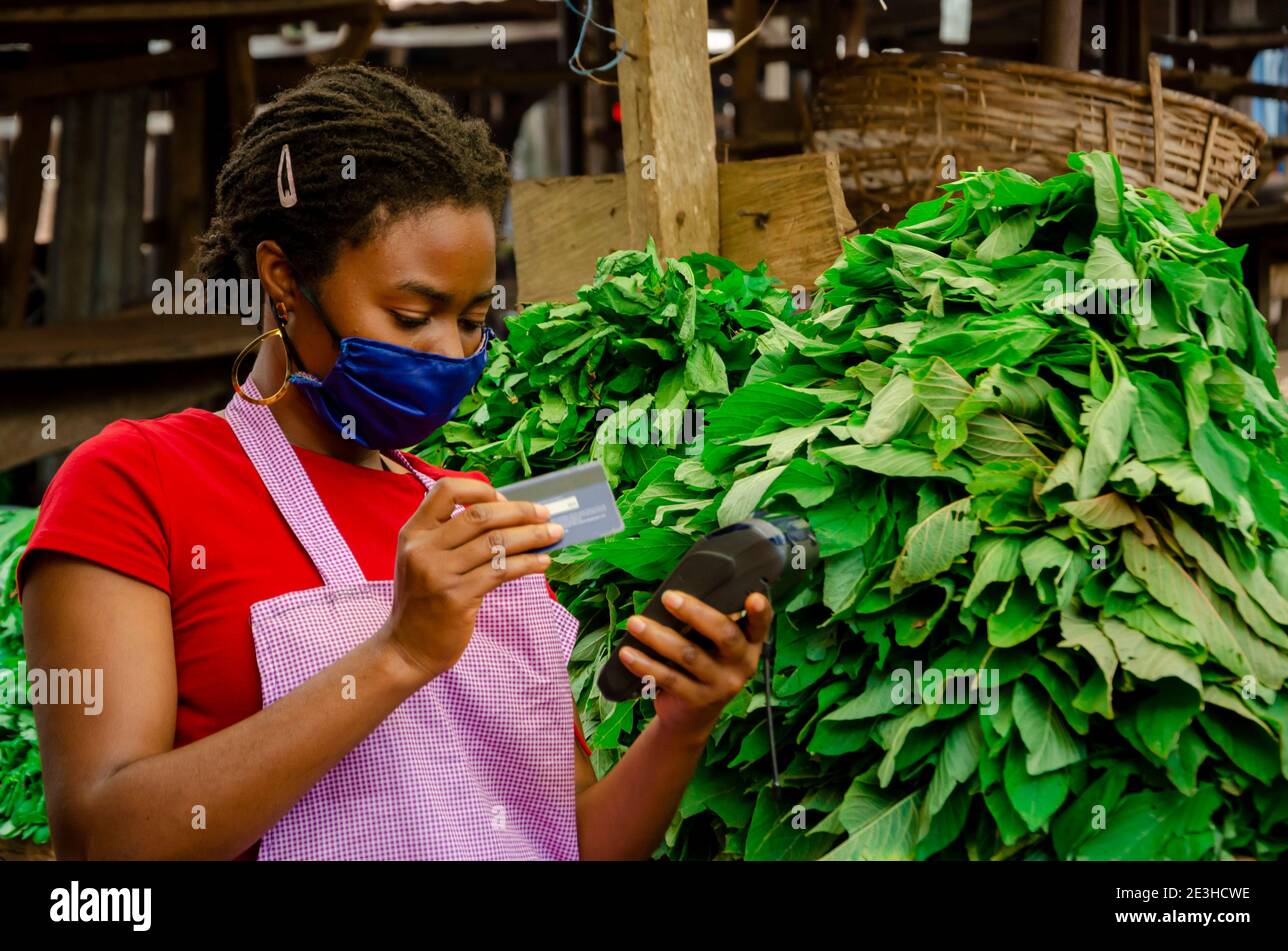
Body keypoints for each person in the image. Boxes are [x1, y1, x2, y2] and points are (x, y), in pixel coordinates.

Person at [17, 62, 772, 860]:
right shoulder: (139, 482)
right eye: (413, 316)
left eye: (475, 318)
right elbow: (101, 845)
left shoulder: (471, 512)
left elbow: (565, 839)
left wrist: (682, 725)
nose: (448, 352)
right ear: (284, 281)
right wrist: (399, 652)